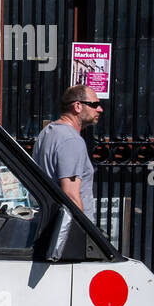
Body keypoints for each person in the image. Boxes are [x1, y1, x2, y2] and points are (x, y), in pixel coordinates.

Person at [32, 84, 101, 221]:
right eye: (94, 104)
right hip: (68, 229)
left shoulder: (48, 131)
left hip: (50, 222)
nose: (99, 109)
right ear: (77, 106)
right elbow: (71, 195)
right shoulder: (71, 140)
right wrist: (85, 232)